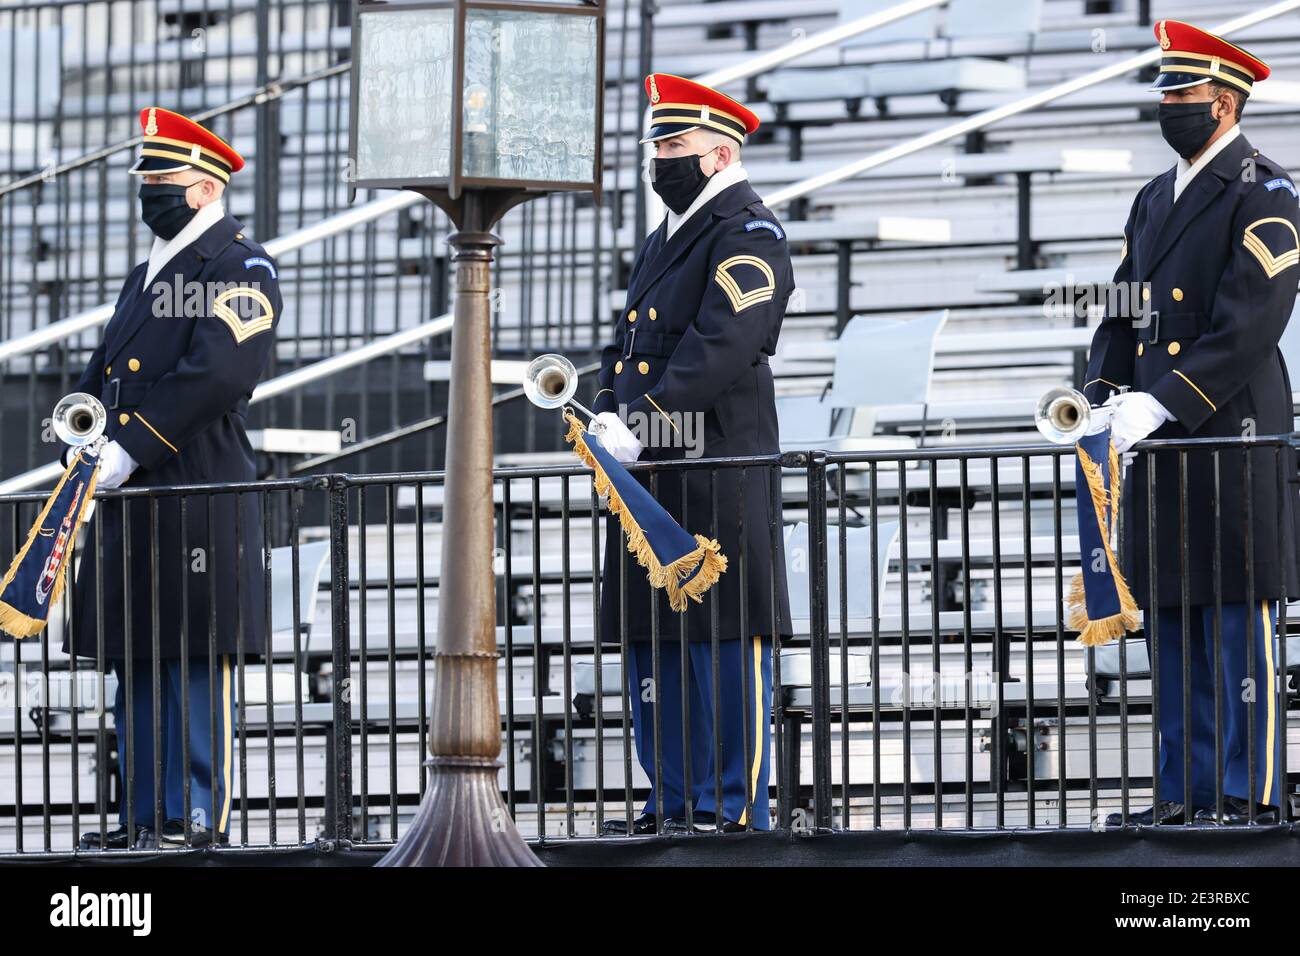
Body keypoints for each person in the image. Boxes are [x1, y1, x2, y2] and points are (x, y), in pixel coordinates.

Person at [1086, 22, 1300, 827]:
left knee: (1236, 620)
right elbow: (1120, 303)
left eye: (1181, 94)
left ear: (1225, 99)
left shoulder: (1266, 190)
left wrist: (1162, 397)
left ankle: (1249, 793)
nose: (1169, 107)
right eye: (1165, 93)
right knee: (1172, 617)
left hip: (1230, 433)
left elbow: (1252, 322)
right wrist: (1102, 392)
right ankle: (1186, 790)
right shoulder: (1154, 197)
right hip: (1160, 442)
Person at [71, 107, 281, 848]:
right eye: (146, 179)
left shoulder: (240, 263)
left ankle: (191, 818)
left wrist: (128, 445)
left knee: (191, 661)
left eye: (162, 179)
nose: (149, 192)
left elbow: (220, 372)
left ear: (204, 188)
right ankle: (140, 818)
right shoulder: (146, 272)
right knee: (138, 660)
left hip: (195, 489)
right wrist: (86, 431)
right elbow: (105, 373)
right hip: (135, 497)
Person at [590, 74, 793, 834]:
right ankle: (671, 797)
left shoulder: (750, 232)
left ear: (720, 153)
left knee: (722, 640)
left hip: (715, 468)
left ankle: (729, 803)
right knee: (656, 642)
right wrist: (607, 409)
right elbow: (630, 341)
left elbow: (722, 345)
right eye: (657, 145)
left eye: (673, 145)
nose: (659, 159)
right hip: (655, 470)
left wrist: (639, 419)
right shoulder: (667, 236)